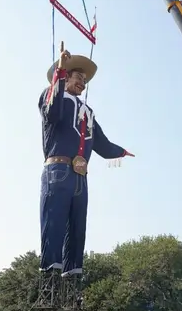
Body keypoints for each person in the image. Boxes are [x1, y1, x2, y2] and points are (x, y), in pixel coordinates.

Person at [38, 44, 134, 281]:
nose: (82, 82)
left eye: (84, 79)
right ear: (65, 78)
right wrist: (60, 69)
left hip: (80, 174)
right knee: (55, 220)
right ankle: (51, 270)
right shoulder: (53, 96)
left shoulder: (88, 111)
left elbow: (101, 143)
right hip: (58, 169)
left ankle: (72, 273)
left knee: (77, 226)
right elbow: (52, 111)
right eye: (77, 77)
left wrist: (120, 151)